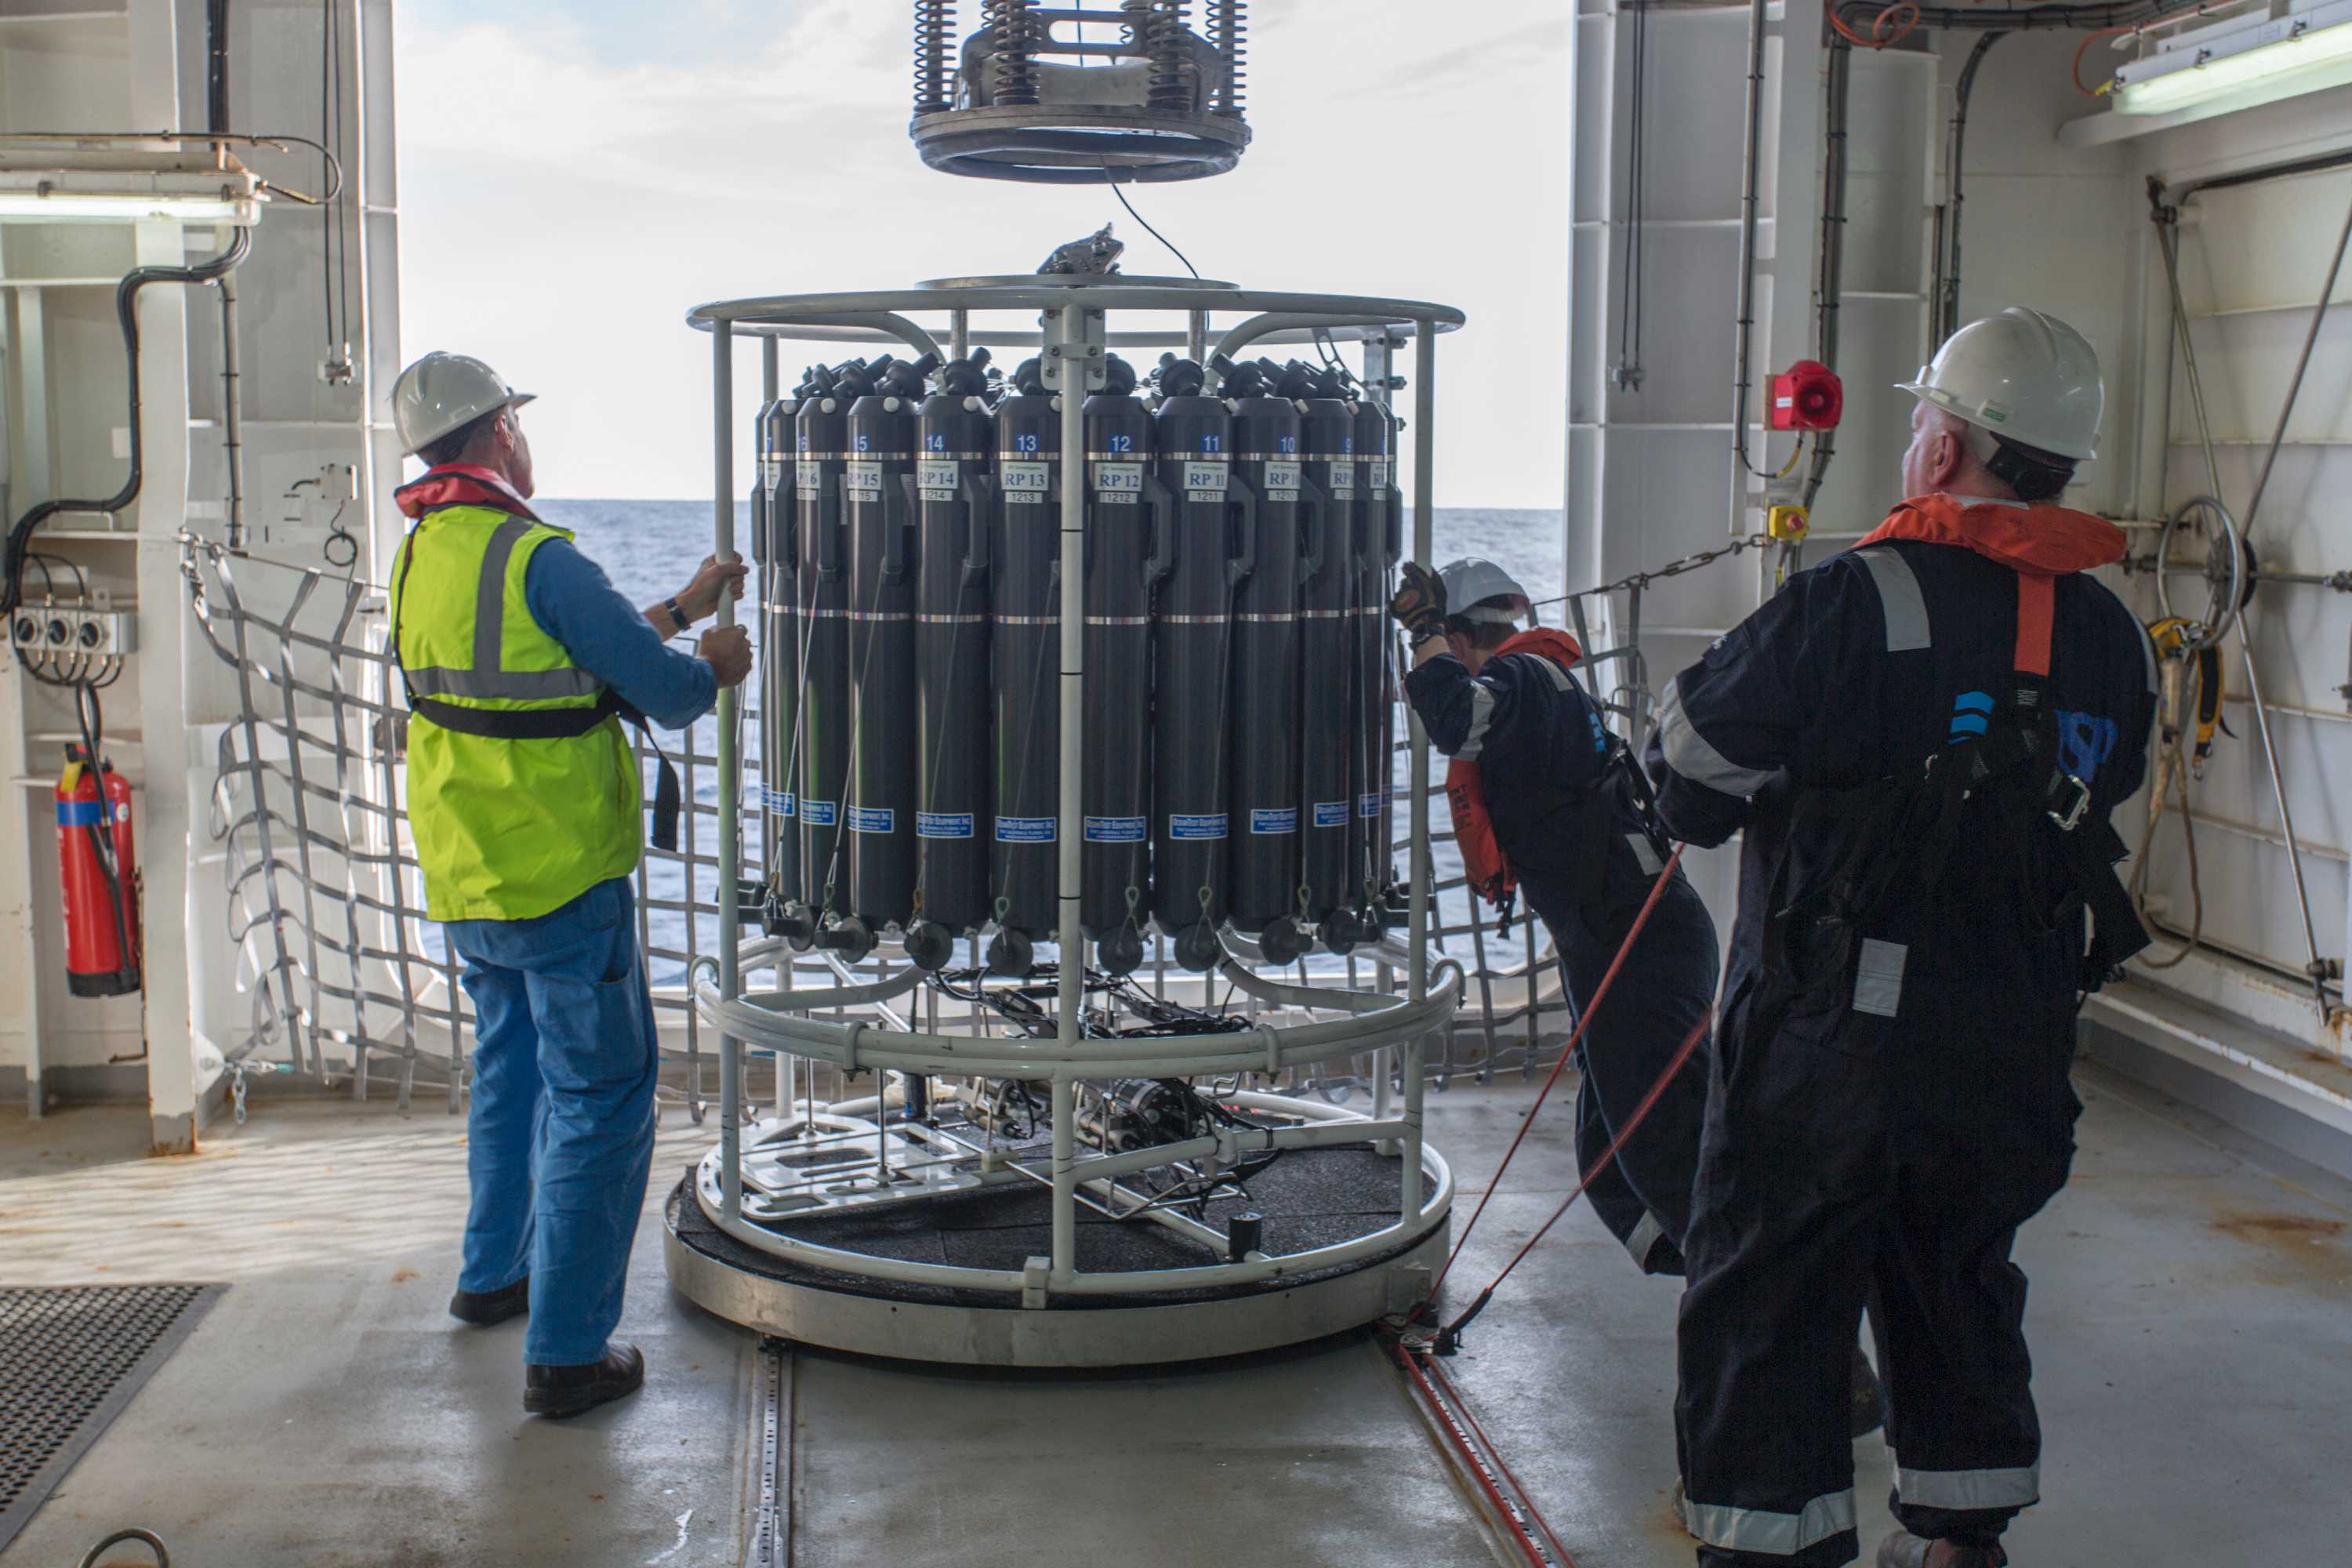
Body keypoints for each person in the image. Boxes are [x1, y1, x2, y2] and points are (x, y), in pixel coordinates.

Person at [1646, 308, 2158, 1568]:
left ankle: (1770, 1548)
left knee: (1770, 1286)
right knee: (1959, 1268)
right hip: (2014, 1034)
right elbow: (2109, 787)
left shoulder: (1852, 600)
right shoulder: (2114, 637)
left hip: (1833, 1040)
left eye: (1926, 416)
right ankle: (1963, 1540)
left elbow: (1689, 778)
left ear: (1948, 450)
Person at [387, 350, 753, 1418]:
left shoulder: (426, 554)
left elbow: (557, 657)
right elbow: (670, 696)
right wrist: (715, 657)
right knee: (602, 1096)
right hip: (558, 872)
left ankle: (492, 1276)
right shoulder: (537, 553)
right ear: (500, 432)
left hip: (468, 870)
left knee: (509, 1073)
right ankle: (569, 1352)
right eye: (517, 421)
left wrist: (680, 604)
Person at [1392, 557, 1722, 1283]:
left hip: (1636, 940)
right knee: (1609, 1149)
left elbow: (1456, 719)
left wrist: (1417, 630)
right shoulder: (1536, 685)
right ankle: (1703, 1270)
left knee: (1661, 1138)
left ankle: (1749, 1295)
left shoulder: (1522, 679)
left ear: (1457, 634)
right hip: (1622, 934)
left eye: (1438, 639)